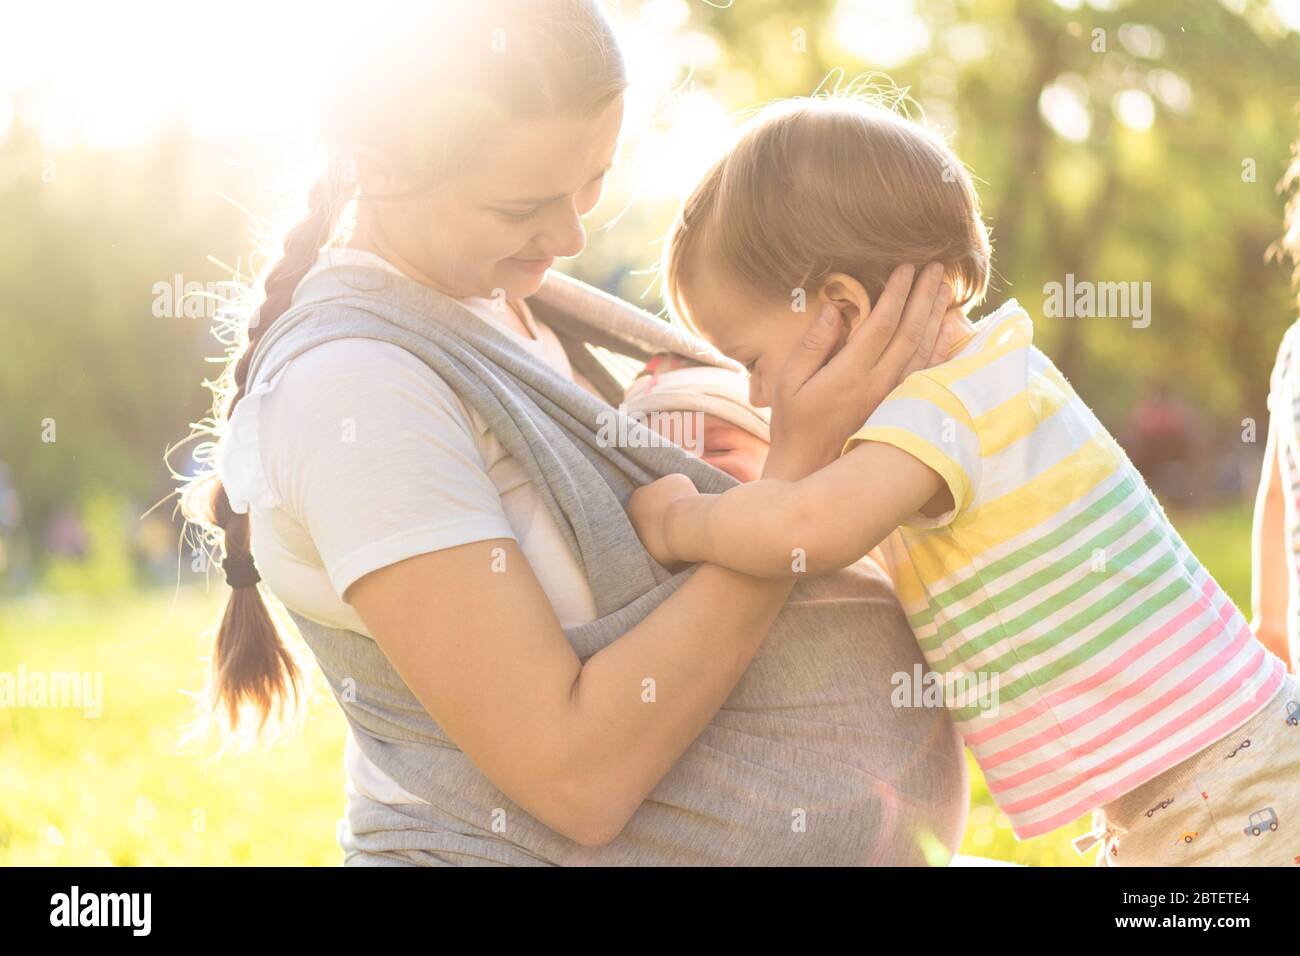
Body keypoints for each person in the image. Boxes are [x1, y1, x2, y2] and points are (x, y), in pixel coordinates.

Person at [180, 2, 967, 865]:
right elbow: (576, 778)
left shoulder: (507, 303)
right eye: (523, 204)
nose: (569, 235)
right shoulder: (353, 393)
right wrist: (794, 480)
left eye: (590, 181)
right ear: (375, 168)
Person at [627, 93, 1298, 866]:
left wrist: (683, 519)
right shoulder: (995, 375)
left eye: (750, 360)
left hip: (1218, 791)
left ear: (839, 309)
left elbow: (805, 530)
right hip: (1218, 769)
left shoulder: (940, 410)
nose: (755, 395)